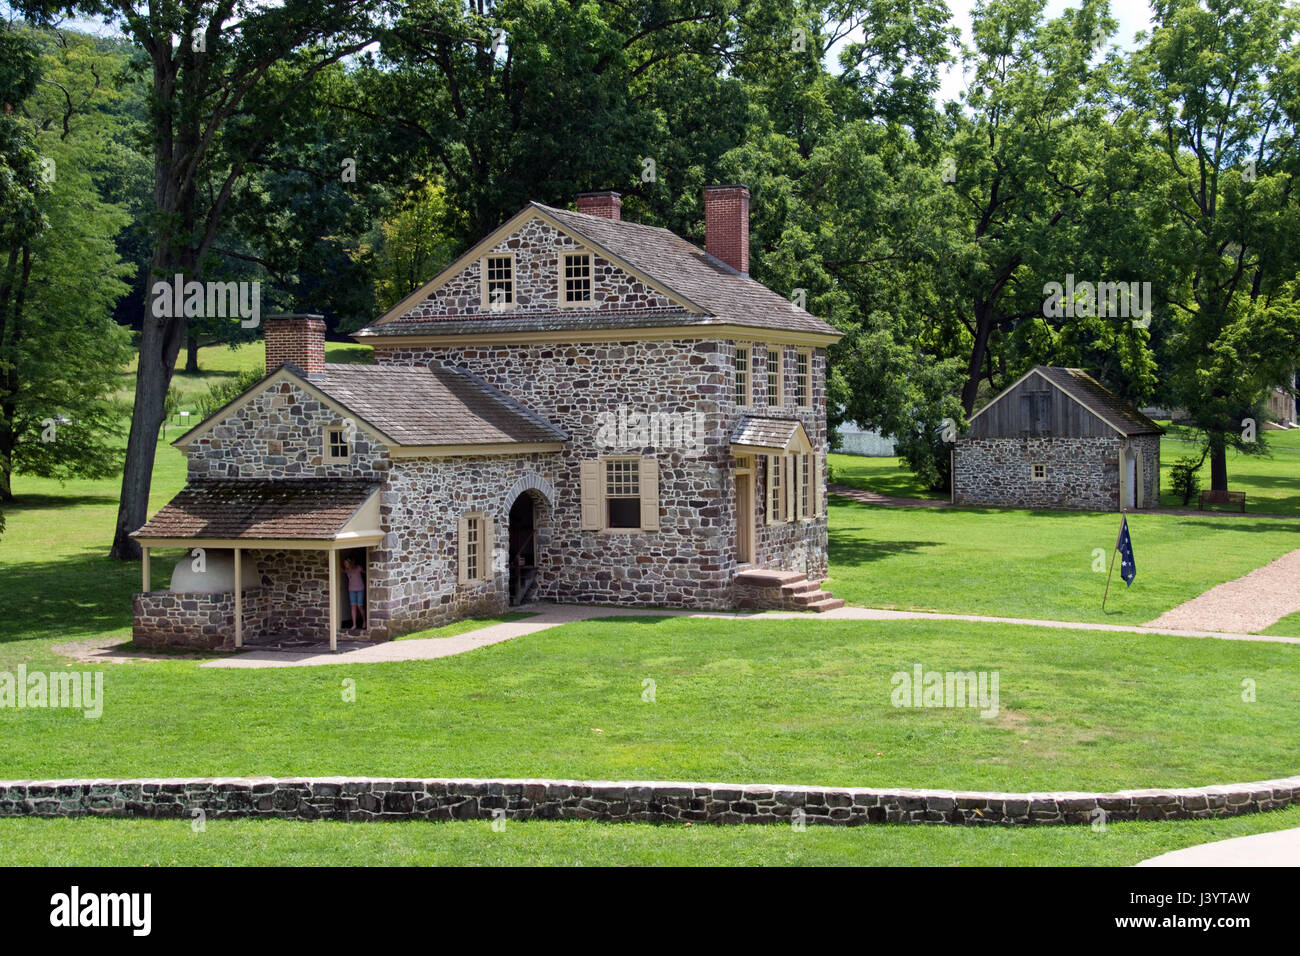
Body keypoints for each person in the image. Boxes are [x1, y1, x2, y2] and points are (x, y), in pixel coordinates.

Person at [342, 557, 365, 630]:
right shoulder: (346, 570)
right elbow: (340, 569)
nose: (345, 565)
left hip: (360, 589)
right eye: (344, 564)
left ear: (350, 563)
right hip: (351, 590)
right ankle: (354, 624)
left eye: (346, 563)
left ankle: (364, 621)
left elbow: (365, 571)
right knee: (353, 607)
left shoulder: (358, 568)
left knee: (360, 606)